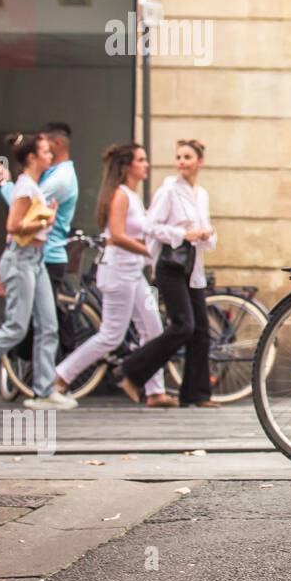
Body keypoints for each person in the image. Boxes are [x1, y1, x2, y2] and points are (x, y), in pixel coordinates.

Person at [49, 144, 177, 407]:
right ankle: (60, 376)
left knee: (153, 328)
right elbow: (116, 235)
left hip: (133, 272)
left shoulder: (131, 195)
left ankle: (155, 392)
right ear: (127, 166)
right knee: (111, 335)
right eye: (141, 160)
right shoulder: (120, 195)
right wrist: (148, 251)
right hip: (118, 272)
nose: (146, 164)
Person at [0, 134, 75, 411]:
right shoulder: (25, 188)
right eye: (45, 152)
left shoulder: (33, 186)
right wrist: (47, 218)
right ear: (32, 157)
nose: (50, 156)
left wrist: (45, 218)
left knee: (49, 324)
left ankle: (44, 390)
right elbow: (13, 226)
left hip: (34, 260)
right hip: (21, 260)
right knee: (16, 328)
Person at [112, 139, 216, 407]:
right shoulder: (169, 189)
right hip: (170, 266)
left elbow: (206, 234)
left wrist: (205, 235)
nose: (181, 162)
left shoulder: (201, 194)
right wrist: (182, 234)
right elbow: (149, 226)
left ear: (199, 162)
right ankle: (129, 370)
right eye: (179, 157)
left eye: (187, 157)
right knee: (183, 326)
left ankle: (196, 394)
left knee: (201, 330)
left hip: (192, 265)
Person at [0, 122, 79, 356]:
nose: (47, 154)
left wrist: (5, 184)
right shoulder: (36, 182)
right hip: (33, 255)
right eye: (43, 151)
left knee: (41, 328)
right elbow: (18, 221)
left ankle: (46, 384)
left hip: (42, 256)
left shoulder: (57, 179)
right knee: (26, 328)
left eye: (48, 149)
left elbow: (21, 212)